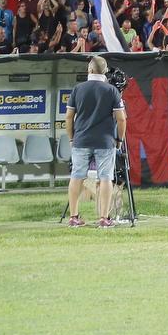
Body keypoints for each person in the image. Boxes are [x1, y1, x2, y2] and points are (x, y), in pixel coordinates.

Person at [64, 55, 128, 229]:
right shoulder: (112, 91)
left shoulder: (78, 89)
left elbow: (69, 117)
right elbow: (121, 119)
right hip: (105, 141)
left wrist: (71, 137)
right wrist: (119, 140)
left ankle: (73, 216)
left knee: (77, 177)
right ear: (105, 72)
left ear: (90, 70)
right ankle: (104, 218)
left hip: (81, 140)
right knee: (106, 178)